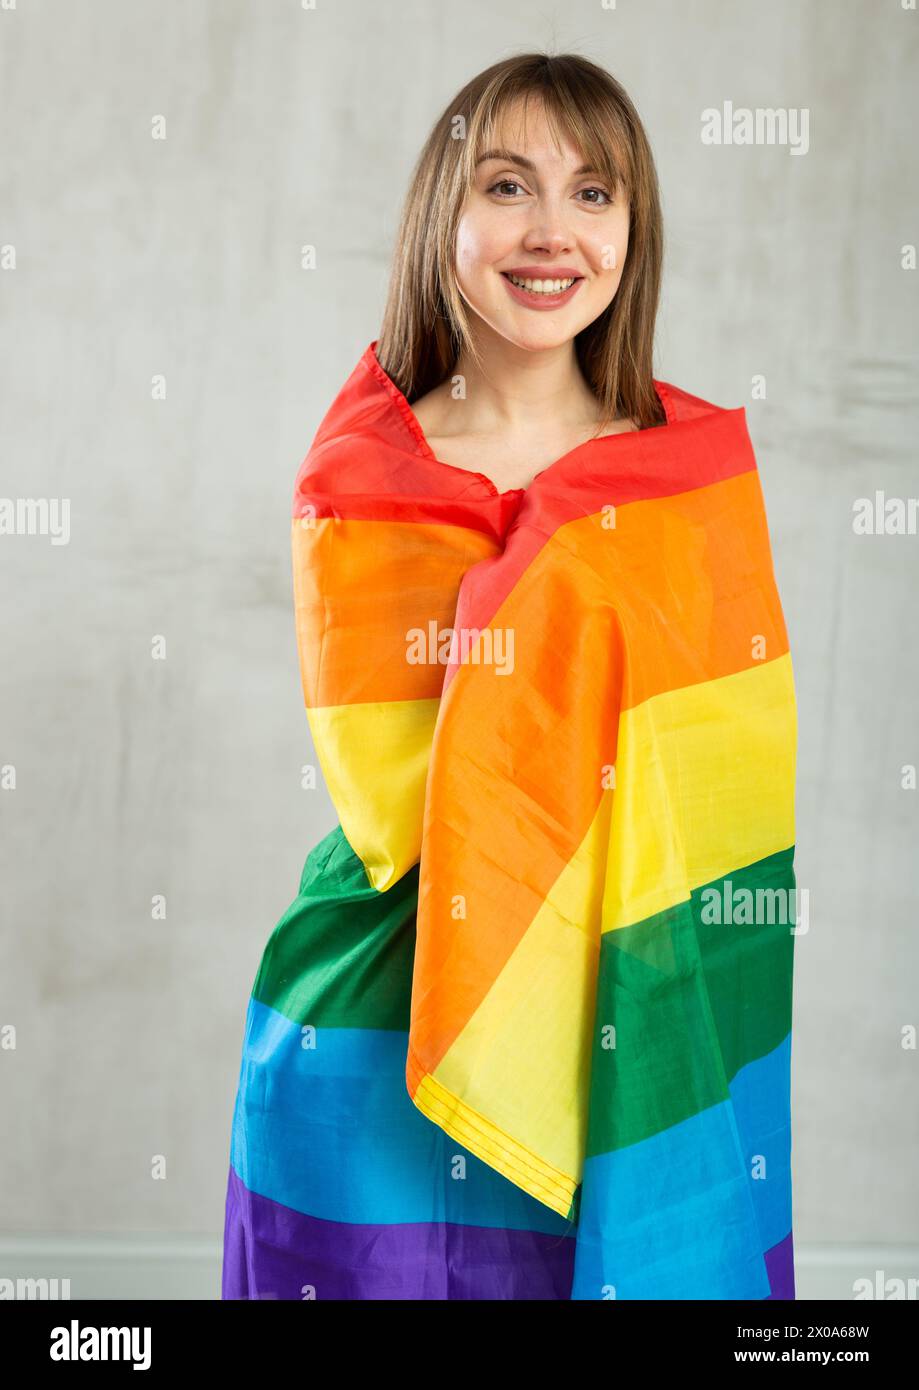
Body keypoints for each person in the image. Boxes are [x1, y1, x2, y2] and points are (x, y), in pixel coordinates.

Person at [222, 51, 797, 1301]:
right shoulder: (365, 471)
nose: (551, 232)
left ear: (633, 232)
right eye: (507, 185)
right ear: (446, 213)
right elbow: (389, 789)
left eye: (594, 195)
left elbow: (724, 781)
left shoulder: (686, 479)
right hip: (382, 1009)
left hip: (634, 1005)